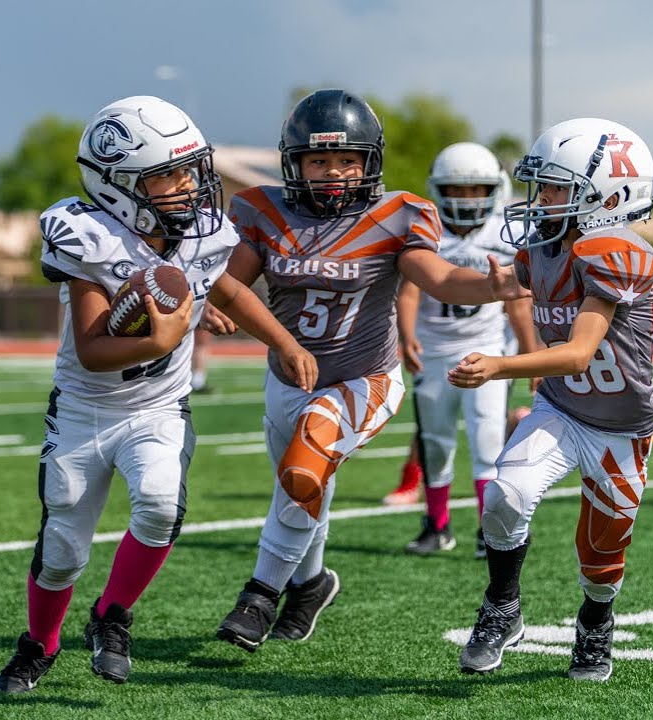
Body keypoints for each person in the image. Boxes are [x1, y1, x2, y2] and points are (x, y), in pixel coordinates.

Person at [0, 95, 317, 694]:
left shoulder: (198, 232)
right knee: (63, 544)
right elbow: (92, 348)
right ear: (116, 184)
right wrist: (166, 335)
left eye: (189, 169)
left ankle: (112, 613)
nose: (186, 186)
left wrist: (283, 341)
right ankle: (39, 644)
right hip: (87, 410)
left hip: (158, 408)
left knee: (162, 504)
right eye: (166, 174)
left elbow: (229, 291)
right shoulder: (89, 234)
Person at [209, 89, 529, 654]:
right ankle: (310, 585)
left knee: (307, 466)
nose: (334, 173)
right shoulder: (263, 209)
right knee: (305, 486)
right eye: (319, 160)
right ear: (295, 163)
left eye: (347, 160)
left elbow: (438, 277)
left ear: (370, 162)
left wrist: (490, 287)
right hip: (290, 378)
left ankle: (258, 597)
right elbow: (229, 285)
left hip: (365, 376)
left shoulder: (395, 215)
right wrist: (244, 321)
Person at [451, 117, 653, 683]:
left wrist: (498, 365)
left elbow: (576, 352)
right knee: (504, 496)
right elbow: (499, 287)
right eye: (540, 186)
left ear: (608, 197)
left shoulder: (616, 252)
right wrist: (447, 280)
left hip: (620, 427)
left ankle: (595, 622)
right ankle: (502, 607)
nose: (540, 200)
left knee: (602, 558)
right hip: (564, 410)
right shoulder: (544, 247)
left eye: (555, 188)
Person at [397, 142, 541, 558]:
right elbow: (408, 290)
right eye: (457, 190)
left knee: (488, 442)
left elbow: (519, 301)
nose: (466, 199)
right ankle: (437, 525)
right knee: (436, 442)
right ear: (437, 190)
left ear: (494, 190)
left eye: (477, 189)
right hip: (436, 350)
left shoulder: (505, 232)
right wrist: (406, 336)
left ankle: (488, 530)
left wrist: (529, 358)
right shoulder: (425, 230)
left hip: (487, 351)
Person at [190, 325, 216, 393]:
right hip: (197, 316)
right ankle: (198, 382)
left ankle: (196, 380)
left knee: (197, 346)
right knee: (201, 346)